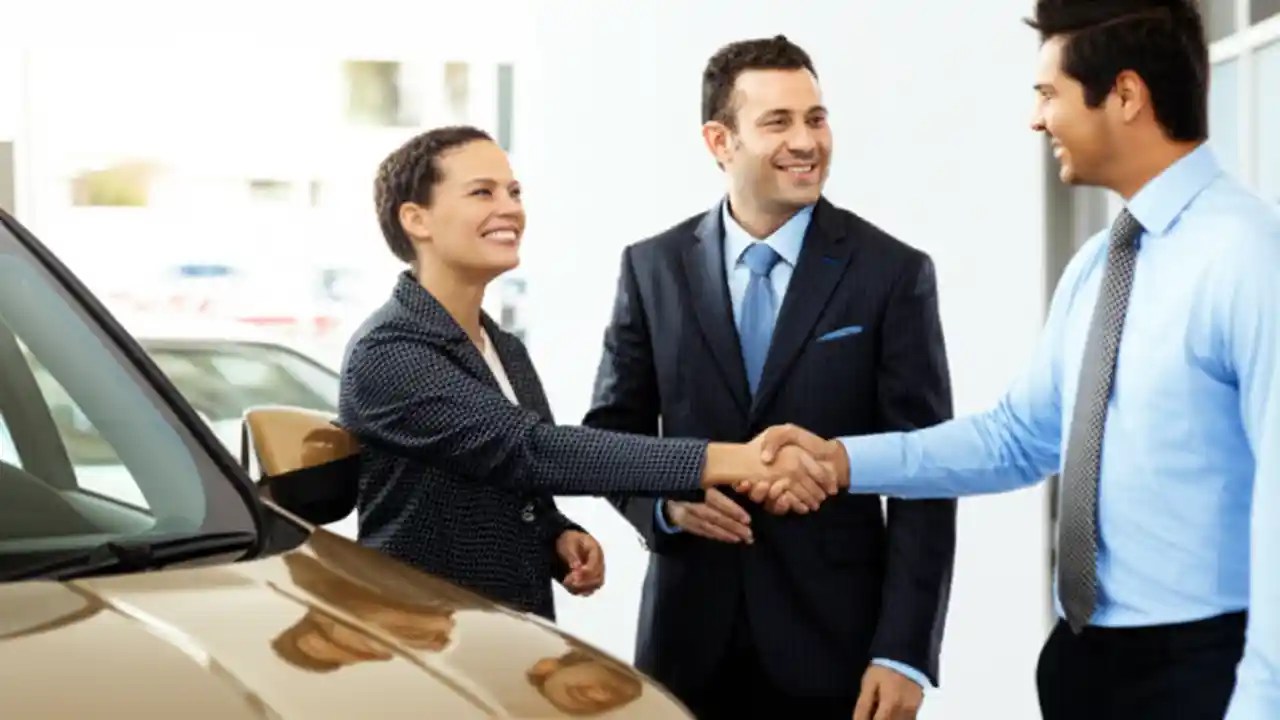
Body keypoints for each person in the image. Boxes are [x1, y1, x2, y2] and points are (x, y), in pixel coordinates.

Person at [755, 2, 1280, 718]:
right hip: (1083, 662)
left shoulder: (1249, 258)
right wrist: (841, 461)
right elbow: (1017, 437)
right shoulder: (1099, 264)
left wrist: (1261, 703)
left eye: (1048, 94)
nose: (1037, 120)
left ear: (1125, 95)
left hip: (1208, 671)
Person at [583, 35, 957, 719]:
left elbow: (925, 473)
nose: (807, 141)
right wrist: (664, 507)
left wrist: (904, 651)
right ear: (719, 141)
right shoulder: (652, 267)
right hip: (685, 646)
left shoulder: (893, 274)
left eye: (815, 118)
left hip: (837, 650)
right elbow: (611, 435)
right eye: (778, 122)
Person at [337, 126, 838, 625]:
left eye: (514, 192)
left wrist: (555, 533)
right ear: (415, 219)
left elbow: (506, 477)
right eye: (482, 192)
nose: (510, 208)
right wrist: (741, 460)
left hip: (506, 639)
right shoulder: (389, 352)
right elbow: (532, 450)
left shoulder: (501, 346)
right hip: (425, 645)